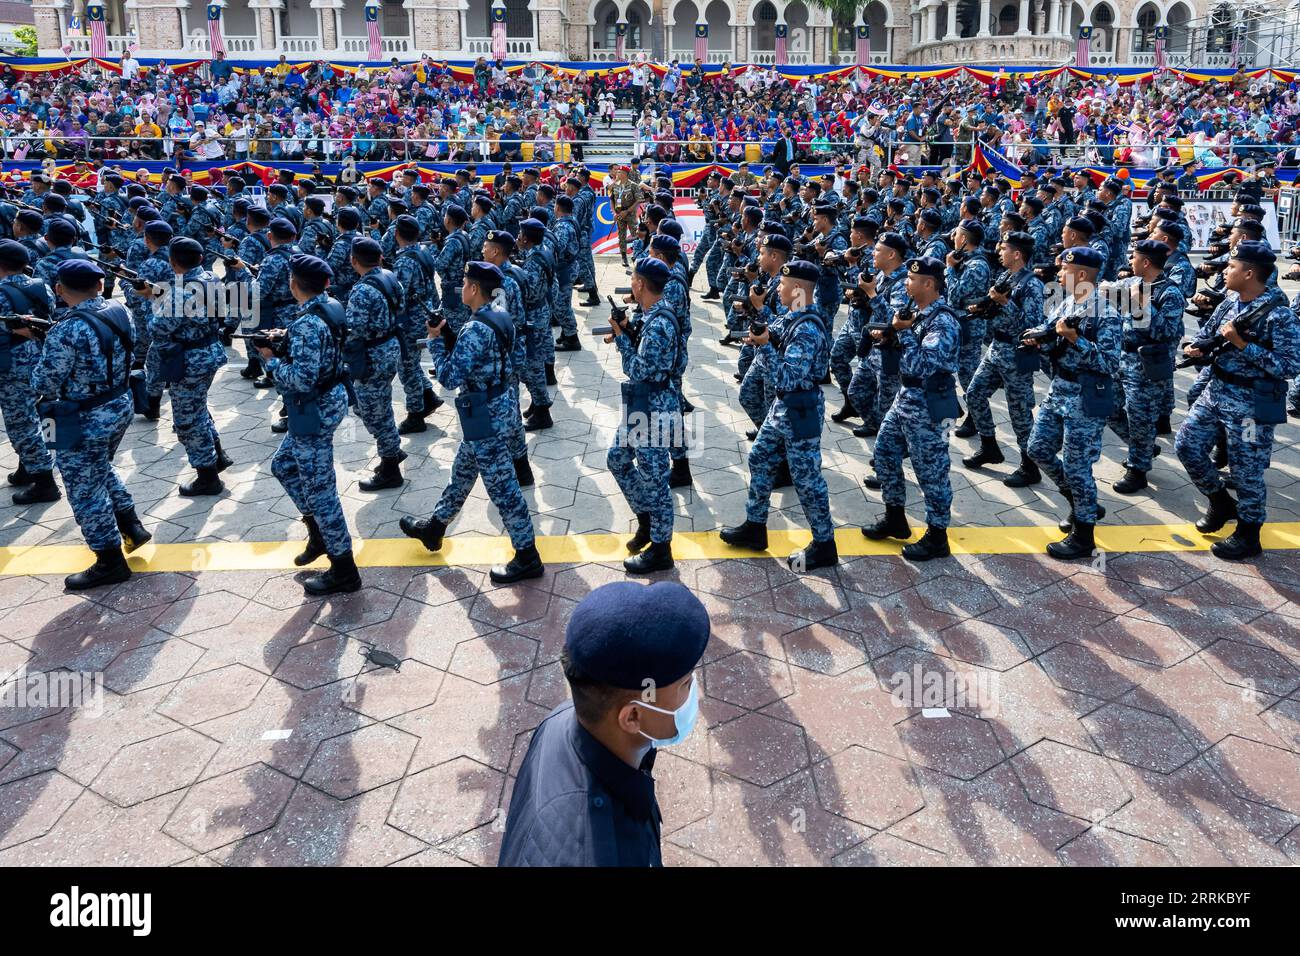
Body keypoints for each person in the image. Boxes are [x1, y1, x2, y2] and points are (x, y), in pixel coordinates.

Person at [499, 580, 709, 867]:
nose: (694, 692)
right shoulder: (596, 854)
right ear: (633, 717)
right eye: (685, 684)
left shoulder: (561, 720)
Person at [399, 262, 544, 585]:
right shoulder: (499, 315)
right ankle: (435, 528)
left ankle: (527, 555)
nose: (461, 287)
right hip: (499, 406)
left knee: (503, 489)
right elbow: (508, 359)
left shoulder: (476, 327)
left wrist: (436, 340)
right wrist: (451, 335)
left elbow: (449, 378)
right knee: (463, 472)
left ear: (475, 289)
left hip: (485, 416)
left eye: (464, 283)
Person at [27, 260, 149, 589]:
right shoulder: (120, 310)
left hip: (83, 417)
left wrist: (42, 342)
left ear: (59, 289)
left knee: (84, 488)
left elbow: (44, 382)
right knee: (99, 467)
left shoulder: (65, 329)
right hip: (118, 404)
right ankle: (130, 525)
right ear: (99, 284)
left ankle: (109, 560)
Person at [1175, 242, 1300, 560]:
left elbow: (1290, 366)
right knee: (1187, 445)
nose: (1225, 271)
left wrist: (1243, 345)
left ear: (1248, 273)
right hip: (1216, 392)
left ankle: (1249, 533)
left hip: (1251, 407)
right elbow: (1210, 332)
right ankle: (1220, 501)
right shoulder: (1230, 301)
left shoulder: (1279, 315)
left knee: (1246, 471)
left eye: (1231, 267)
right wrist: (1198, 347)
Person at [721, 260, 838, 571]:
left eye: (784, 286)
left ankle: (825, 544)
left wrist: (763, 348)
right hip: (784, 407)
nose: (778, 289)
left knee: (806, 479)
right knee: (760, 457)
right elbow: (773, 331)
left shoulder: (809, 329)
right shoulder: (793, 316)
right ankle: (755, 527)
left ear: (798, 290)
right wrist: (757, 319)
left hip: (800, 409)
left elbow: (787, 377)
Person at [261, 255, 361, 595]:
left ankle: (344, 568)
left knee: (321, 492)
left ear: (293, 283)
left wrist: (271, 362)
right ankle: (318, 533)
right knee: (283, 465)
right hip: (327, 399)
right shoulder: (330, 306)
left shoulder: (307, 323)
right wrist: (282, 337)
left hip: (313, 408)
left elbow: (301, 379)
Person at [1024, 246, 1122, 560]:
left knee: (1079, 467)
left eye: (1065, 270)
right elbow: (1054, 336)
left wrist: (1075, 340)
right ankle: (1083, 504)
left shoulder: (1105, 313)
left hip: (1087, 394)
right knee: (1038, 449)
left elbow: (1109, 364)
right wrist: (1040, 340)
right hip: (1060, 388)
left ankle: (1084, 536)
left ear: (1081, 275)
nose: (1060, 274)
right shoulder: (1066, 302)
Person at [861, 256, 961, 561]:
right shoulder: (916, 313)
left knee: (931, 471)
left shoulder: (942, 322)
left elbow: (922, 364)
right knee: (885, 453)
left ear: (928, 284)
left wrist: (902, 333)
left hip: (929, 404)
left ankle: (937, 536)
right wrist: (891, 334)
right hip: (905, 399)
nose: (907, 282)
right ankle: (895, 517)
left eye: (912, 279)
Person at [607, 257, 682, 575]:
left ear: (640, 284)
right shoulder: (652, 316)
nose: (632, 284)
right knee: (617, 459)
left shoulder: (660, 322)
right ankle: (647, 520)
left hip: (654, 409)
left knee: (655, 481)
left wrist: (623, 340)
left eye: (634, 279)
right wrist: (628, 331)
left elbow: (637, 369)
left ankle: (661, 548)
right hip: (643, 404)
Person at [0, 240, 60, 505]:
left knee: (21, 422)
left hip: (12, 364)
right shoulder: (40, 284)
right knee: (32, 414)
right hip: (39, 357)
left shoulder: (1, 292)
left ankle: (45, 482)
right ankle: (29, 466)